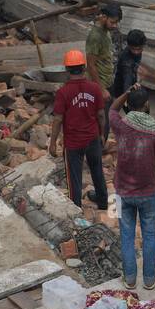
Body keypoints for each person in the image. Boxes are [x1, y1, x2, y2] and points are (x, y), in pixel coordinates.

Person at [106, 88, 155, 290]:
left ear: (129, 104)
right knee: (149, 235)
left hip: (121, 190)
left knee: (126, 235)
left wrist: (125, 92)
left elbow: (112, 109)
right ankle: (149, 279)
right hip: (148, 191)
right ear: (146, 105)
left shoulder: (121, 125)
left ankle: (130, 279)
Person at [49, 50, 109, 209]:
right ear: (84, 67)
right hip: (92, 138)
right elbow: (101, 115)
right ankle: (103, 202)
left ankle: (76, 207)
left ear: (67, 70)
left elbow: (57, 119)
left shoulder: (63, 92)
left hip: (73, 143)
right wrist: (102, 134)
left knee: (74, 177)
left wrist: (53, 142)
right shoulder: (95, 88)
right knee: (97, 171)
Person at [85, 2, 121, 92]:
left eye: (117, 22)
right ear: (104, 17)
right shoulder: (95, 37)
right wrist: (102, 89)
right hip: (100, 85)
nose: (115, 25)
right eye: (112, 22)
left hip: (107, 81)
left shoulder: (106, 29)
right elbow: (90, 65)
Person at [111, 28, 147, 99]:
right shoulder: (126, 60)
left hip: (130, 82)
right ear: (129, 45)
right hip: (121, 87)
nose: (136, 52)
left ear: (143, 45)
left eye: (139, 49)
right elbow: (127, 79)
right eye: (133, 49)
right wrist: (128, 94)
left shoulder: (135, 51)